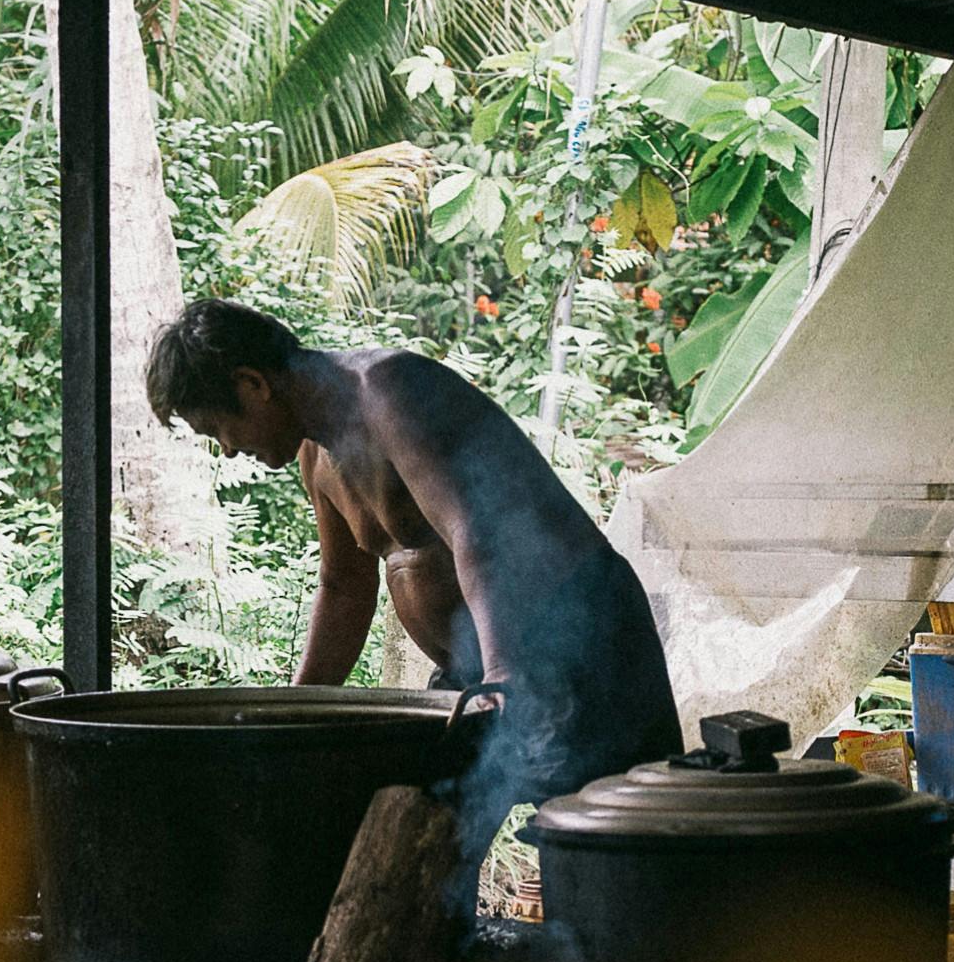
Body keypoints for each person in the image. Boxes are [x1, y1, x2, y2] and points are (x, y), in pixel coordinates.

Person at [144, 298, 683, 861]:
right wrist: (292, 710)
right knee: (423, 852)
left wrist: (502, 674)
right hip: (472, 673)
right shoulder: (316, 456)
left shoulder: (386, 390)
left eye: (219, 429)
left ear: (253, 383)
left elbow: (473, 530)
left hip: (581, 641)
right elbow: (344, 589)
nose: (229, 449)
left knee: (620, 849)